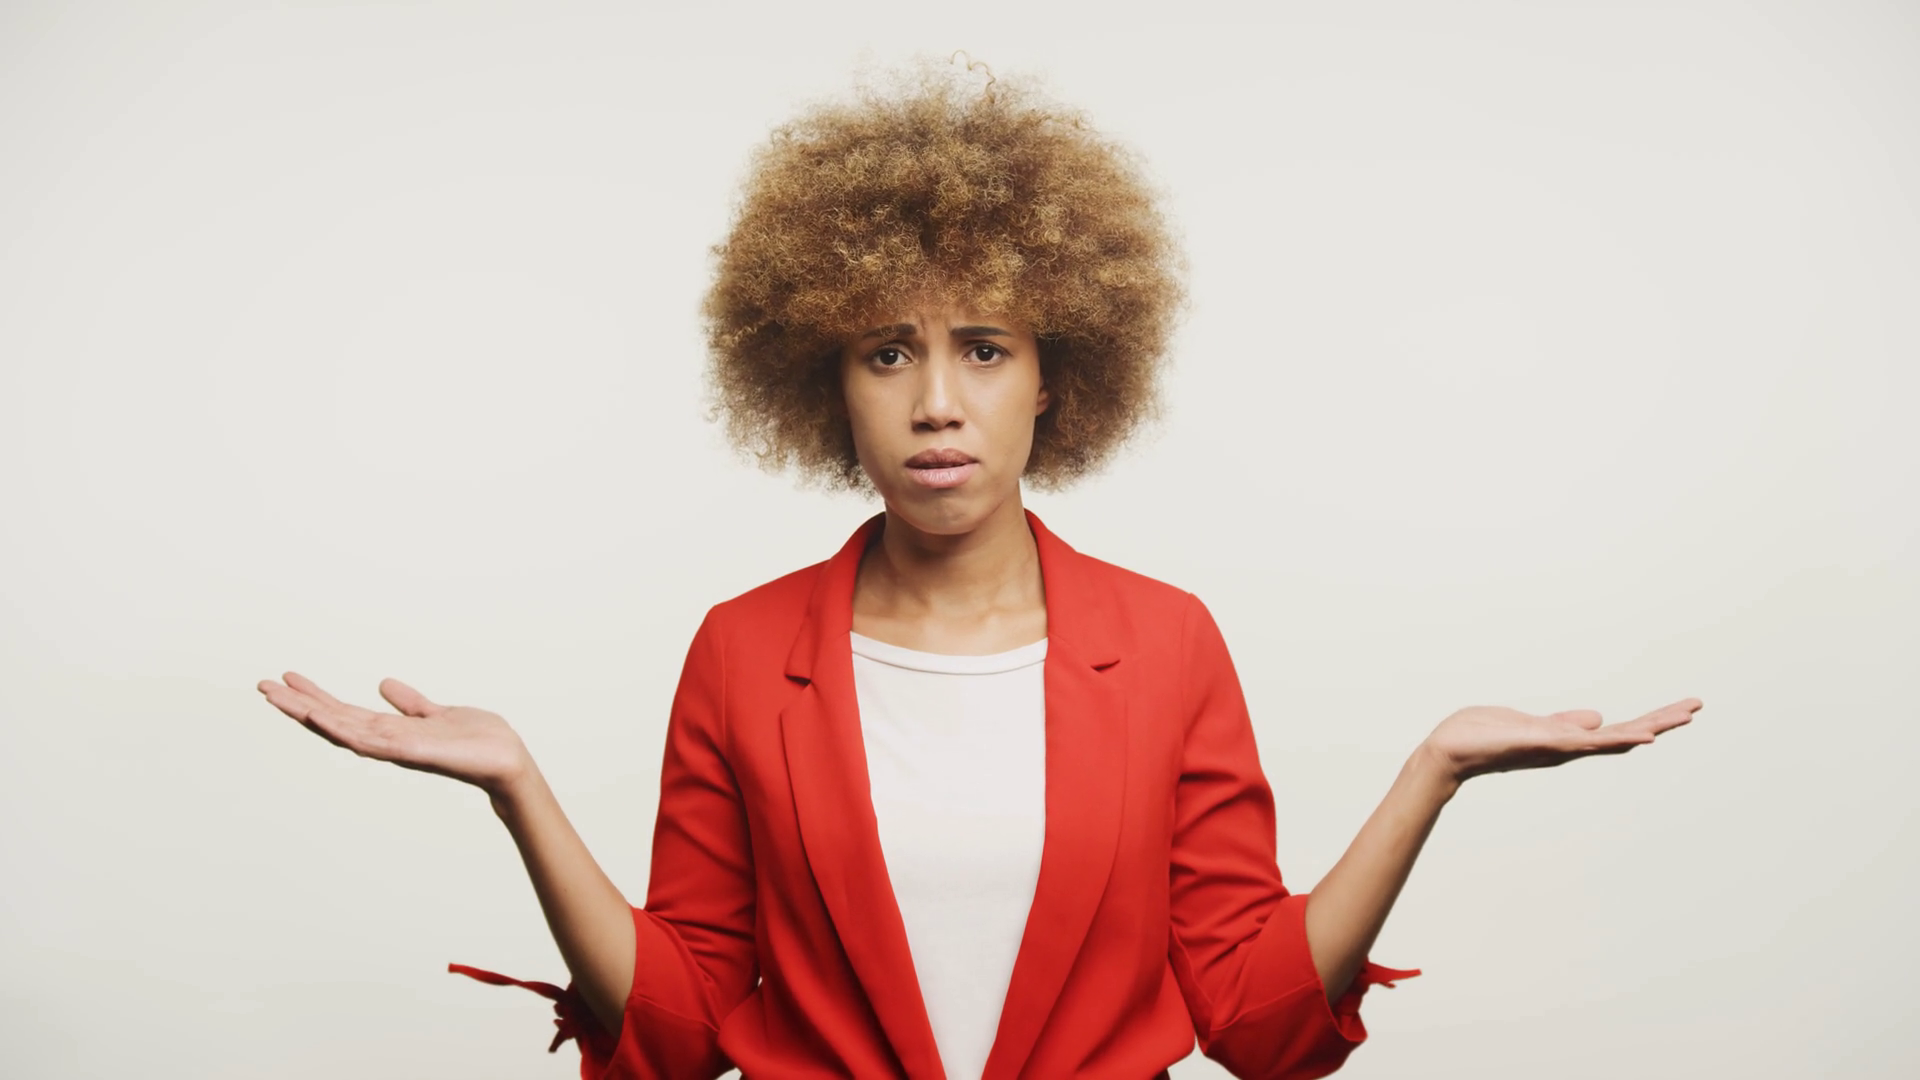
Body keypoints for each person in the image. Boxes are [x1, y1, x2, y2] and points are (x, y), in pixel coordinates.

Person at [257, 59, 1700, 1080]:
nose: (936, 401)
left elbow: (1256, 1030)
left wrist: (1430, 773)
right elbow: (688, 1034)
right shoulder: (746, 652)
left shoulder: (1168, 642)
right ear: (828, 383)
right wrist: (522, 788)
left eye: (984, 350)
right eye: (888, 351)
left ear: (1056, 381)